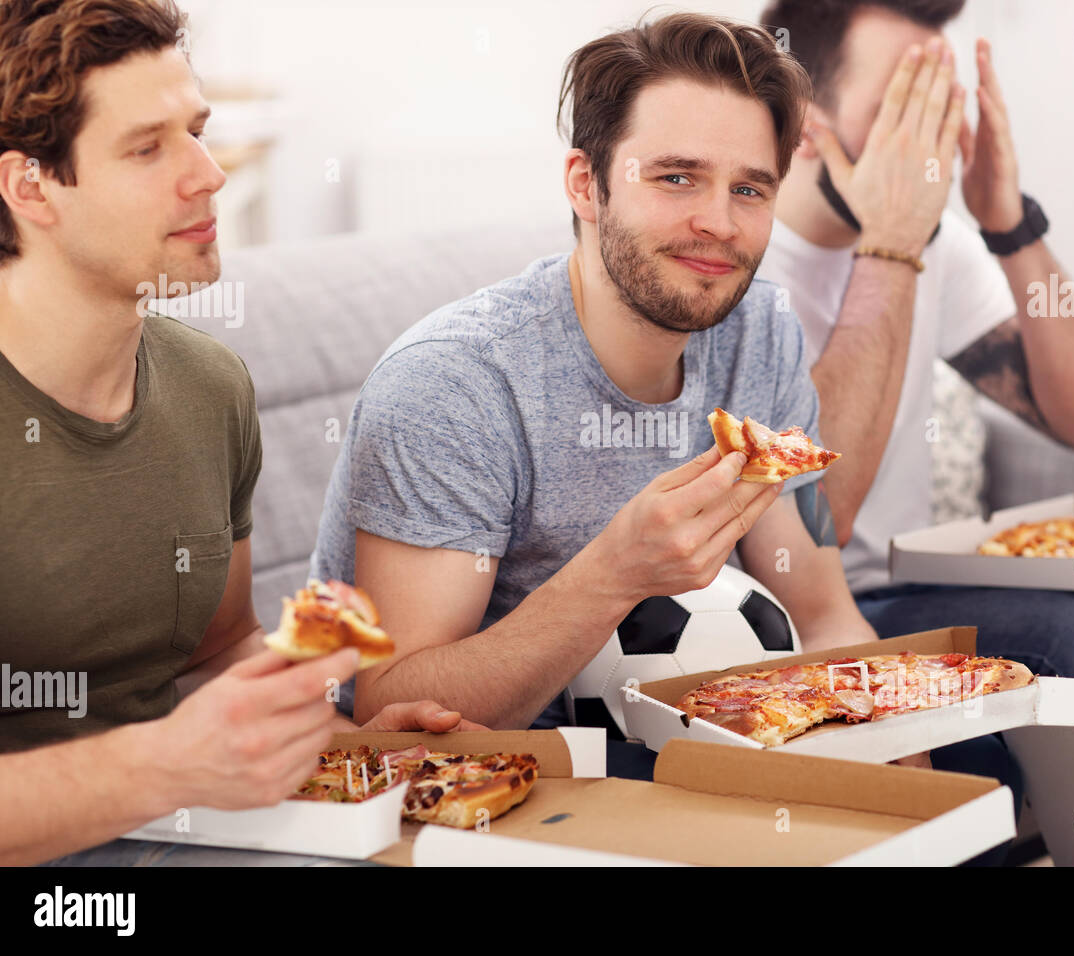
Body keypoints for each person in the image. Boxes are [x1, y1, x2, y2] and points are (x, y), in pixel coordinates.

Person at [310, 12, 1022, 857]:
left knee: (1046, 672)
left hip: (710, 722)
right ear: (586, 185)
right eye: (677, 178)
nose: (718, 223)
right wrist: (613, 575)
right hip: (517, 772)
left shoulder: (759, 332)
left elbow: (823, 612)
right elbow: (386, 708)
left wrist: (899, 780)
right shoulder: (455, 384)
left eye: (749, 189)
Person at [755, 0, 1074, 865]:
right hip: (811, 609)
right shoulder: (745, 262)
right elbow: (822, 519)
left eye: (945, 101)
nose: (934, 136)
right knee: (1064, 638)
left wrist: (1006, 221)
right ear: (810, 131)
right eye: (906, 103)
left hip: (910, 583)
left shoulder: (942, 243)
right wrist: (891, 242)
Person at [0, 0, 472, 867]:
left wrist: (338, 732)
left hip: (184, 835)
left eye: (197, 131)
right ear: (30, 188)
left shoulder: (209, 387)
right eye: (147, 148)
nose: (208, 174)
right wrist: (164, 765)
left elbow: (217, 649)